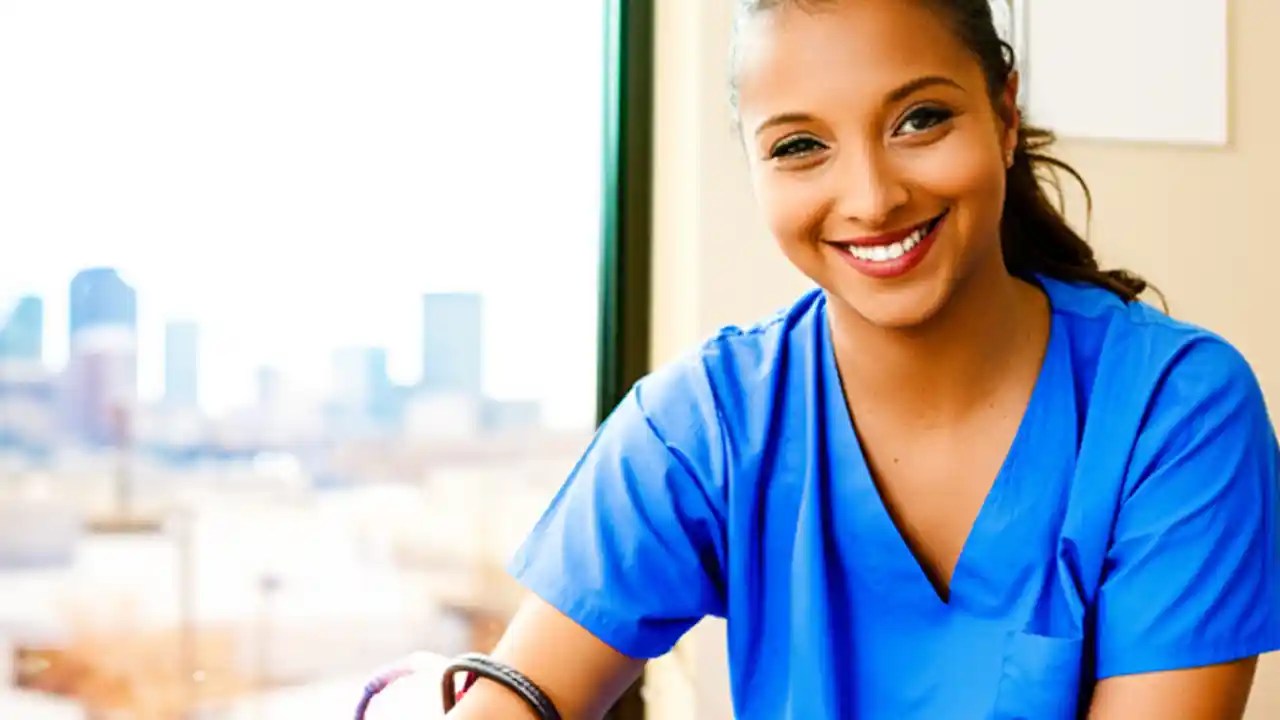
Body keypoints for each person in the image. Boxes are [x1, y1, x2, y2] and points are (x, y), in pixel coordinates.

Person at [446, 1, 1280, 717]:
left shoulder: (1177, 414)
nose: (873, 197)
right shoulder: (701, 429)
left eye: (920, 119)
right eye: (800, 146)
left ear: (1005, 113)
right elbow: (525, 687)